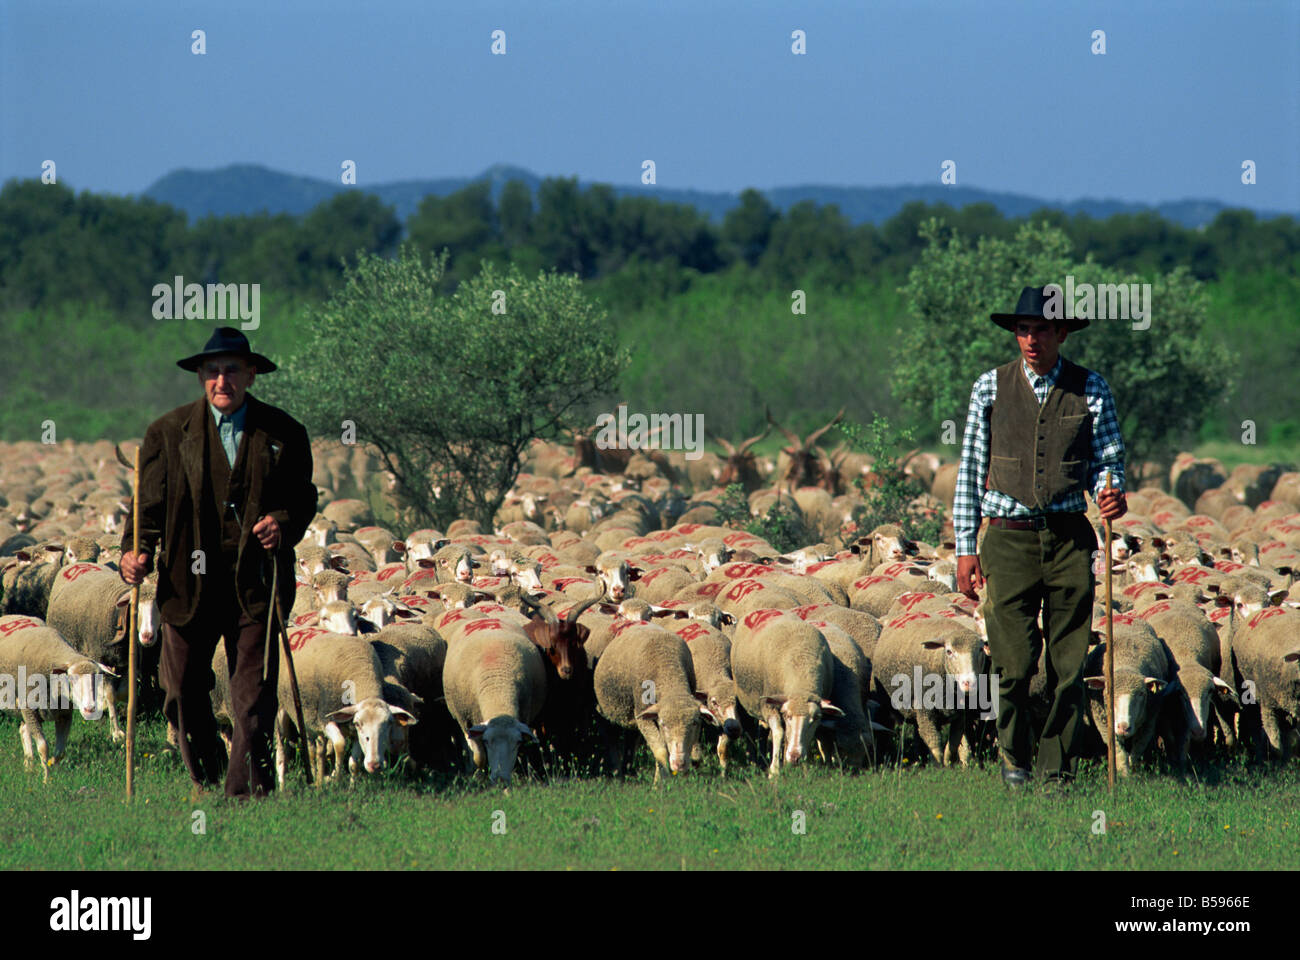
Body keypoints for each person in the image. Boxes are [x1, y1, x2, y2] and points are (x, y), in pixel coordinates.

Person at [119, 327, 316, 799]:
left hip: (257, 581)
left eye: (231, 370)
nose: (221, 380)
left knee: (252, 699)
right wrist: (135, 550)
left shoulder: (284, 432)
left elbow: (302, 498)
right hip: (188, 584)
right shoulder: (166, 434)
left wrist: (282, 524)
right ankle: (206, 774)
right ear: (200, 378)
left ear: (251, 374)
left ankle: (244, 795)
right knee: (181, 691)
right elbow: (146, 507)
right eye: (212, 371)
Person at [953, 286, 1127, 790]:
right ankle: (1014, 759)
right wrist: (966, 546)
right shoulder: (989, 387)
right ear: (1015, 333)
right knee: (1013, 662)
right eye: (1024, 330)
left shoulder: (1091, 388)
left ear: (1062, 333)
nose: (1032, 339)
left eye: (1042, 330)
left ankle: (1056, 769)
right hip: (1007, 539)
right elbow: (970, 470)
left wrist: (1111, 493)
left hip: (1071, 537)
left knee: (1068, 666)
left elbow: (1107, 461)